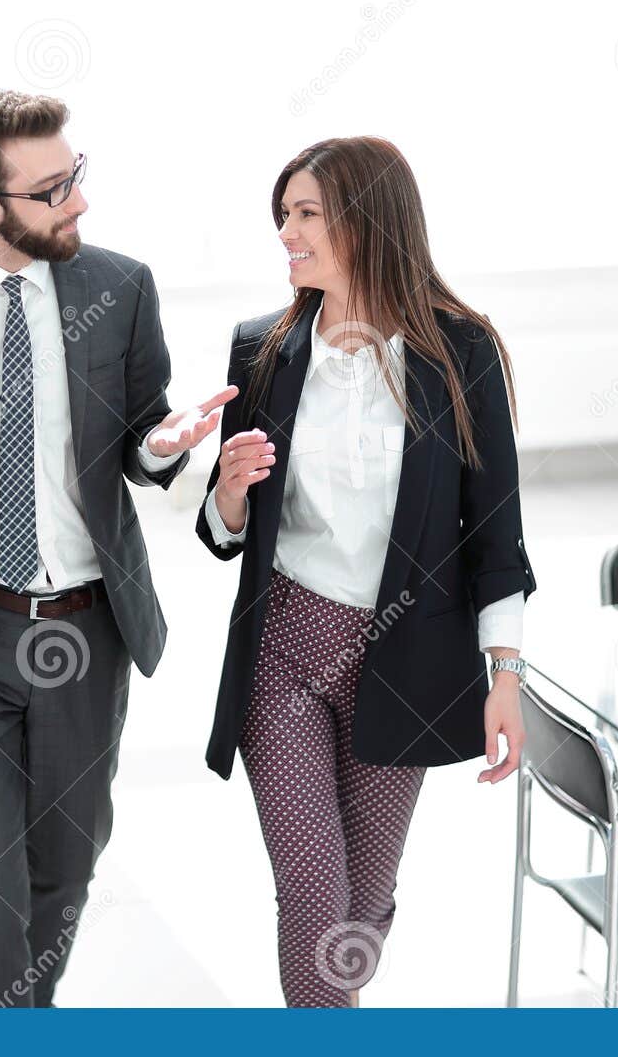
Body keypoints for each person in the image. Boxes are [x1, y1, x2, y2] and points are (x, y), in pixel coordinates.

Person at [0, 89, 231, 1007]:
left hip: (86, 629)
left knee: (64, 873)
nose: (79, 202)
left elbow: (141, 440)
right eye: (53, 188)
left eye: (77, 176)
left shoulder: (118, 286)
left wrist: (163, 447)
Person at [196, 136, 537, 1007]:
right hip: (286, 652)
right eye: (284, 216)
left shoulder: (462, 355)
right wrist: (228, 493)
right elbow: (226, 528)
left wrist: (506, 674)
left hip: (407, 661)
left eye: (306, 214)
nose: (287, 234)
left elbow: (495, 532)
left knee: (361, 908)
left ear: (366, 222)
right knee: (315, 902)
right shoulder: (262, 350)